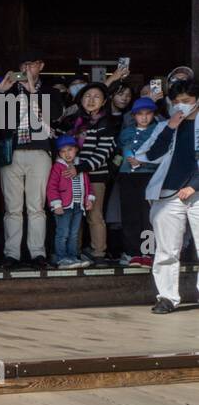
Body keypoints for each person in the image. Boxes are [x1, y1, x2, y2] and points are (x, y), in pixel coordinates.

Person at [126, 79, 199, 313]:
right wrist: (170, 127)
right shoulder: (165, 125)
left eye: (186, 101)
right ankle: (167, 297)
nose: (181, 106)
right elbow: (150, 153)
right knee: (167, 248)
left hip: (196, 193)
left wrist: (196, 185)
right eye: (177, 102)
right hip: (168, 193)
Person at [0, 52, 61, 270]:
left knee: (36, 207)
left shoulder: (50, 91)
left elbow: (52, 116)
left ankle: (38, 253)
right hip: (12, 151)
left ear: (40, 65)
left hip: (39, 152)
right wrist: (0, 92)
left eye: (30, 65)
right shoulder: (8, 90)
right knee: (12, 208)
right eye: (22, 65)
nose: (25, 70)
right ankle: (11, 254)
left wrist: (33, 90)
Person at [62, 82, 118, 265]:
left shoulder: (106, 123)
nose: (91, 100)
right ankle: (74, 251)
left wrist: (80, 168)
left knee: (94, 215)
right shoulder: (74, 122)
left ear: (103, 102)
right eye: (87, 96)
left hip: (94, 176)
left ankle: (99, 252)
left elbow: (103, 154)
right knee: (75, 214)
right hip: (74, 177)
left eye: (96, 97)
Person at [117, 97, 161, 266]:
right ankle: (132, 253)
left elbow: (162, 154)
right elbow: (122, 148)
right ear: (134, 116)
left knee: (147, 215)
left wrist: (144, 162)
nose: (144, 117)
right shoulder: (126, 132)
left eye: (148, 114)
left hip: (149, 176)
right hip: (127, 175)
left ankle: (147, 252)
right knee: (130, 215)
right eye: (140, 114)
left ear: (153, 115)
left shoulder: (158, 130)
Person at [46, 135, 94, 269]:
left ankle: (72, 257)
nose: (67, 154)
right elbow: (52, 187)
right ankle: (61, 258)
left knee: (74, 234)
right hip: (64, 206)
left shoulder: (80, 166)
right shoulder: (58, 167)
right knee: (63, 233)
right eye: (63, 151)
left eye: (70, 150)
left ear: (76, 150)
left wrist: (89, 198)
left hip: (78, 205)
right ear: (59, 153)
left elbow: (87, 184)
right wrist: (56, 204)